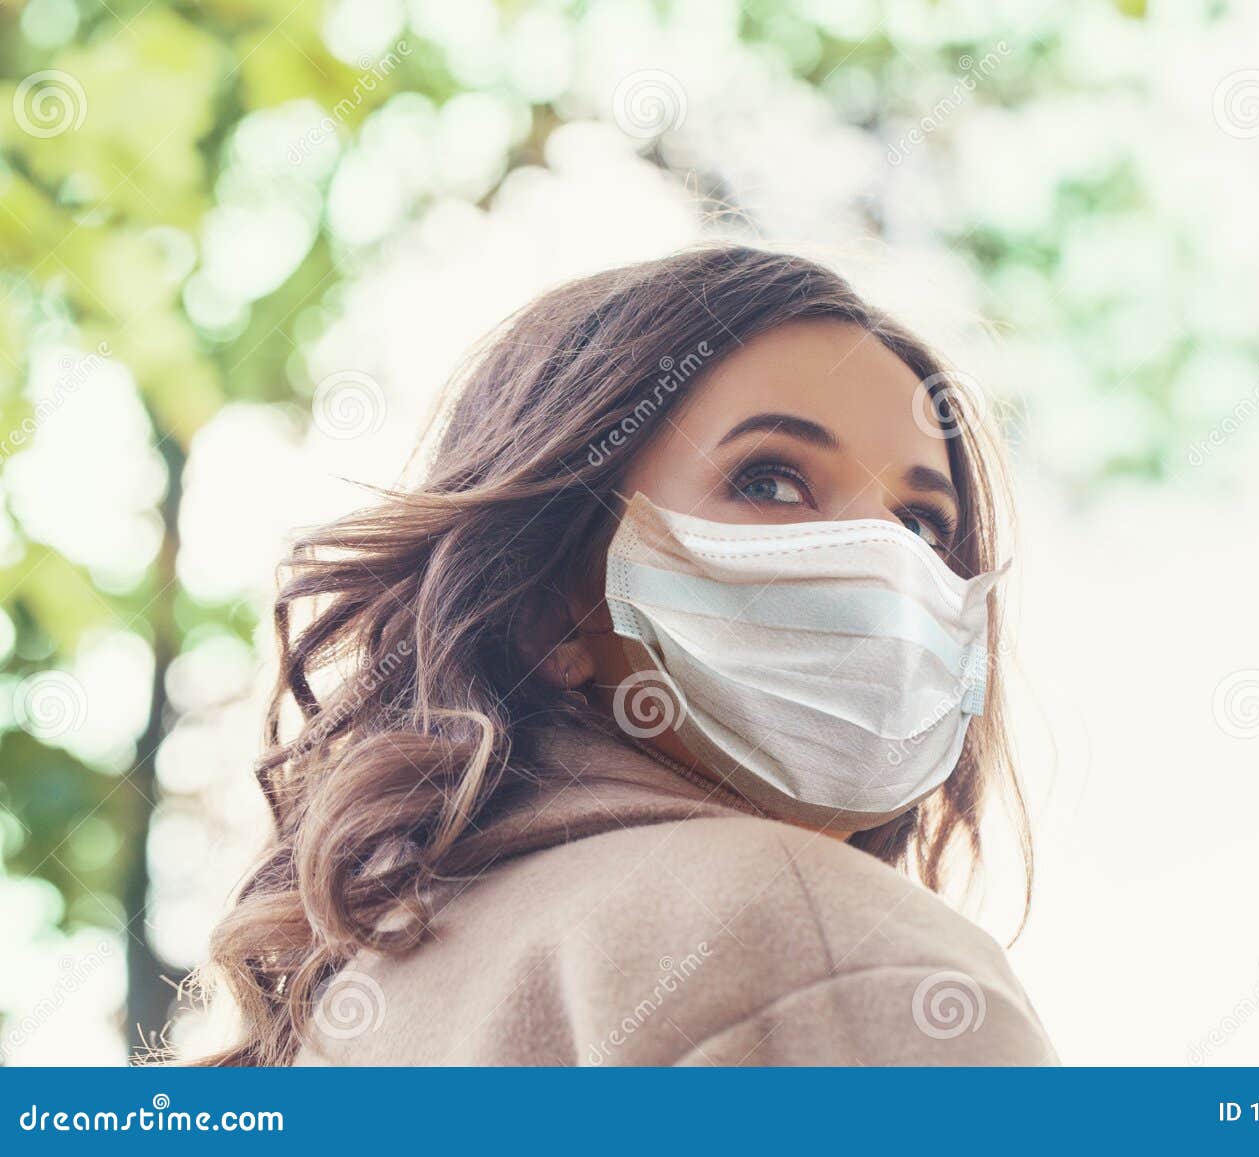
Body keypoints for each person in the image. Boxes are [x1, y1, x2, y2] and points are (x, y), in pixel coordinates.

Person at [195, 245, 1056, 1066]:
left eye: (920, 525)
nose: (883, 565)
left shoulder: (371, 995)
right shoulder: (838, 946)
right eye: (770, 480)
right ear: (549, 606)